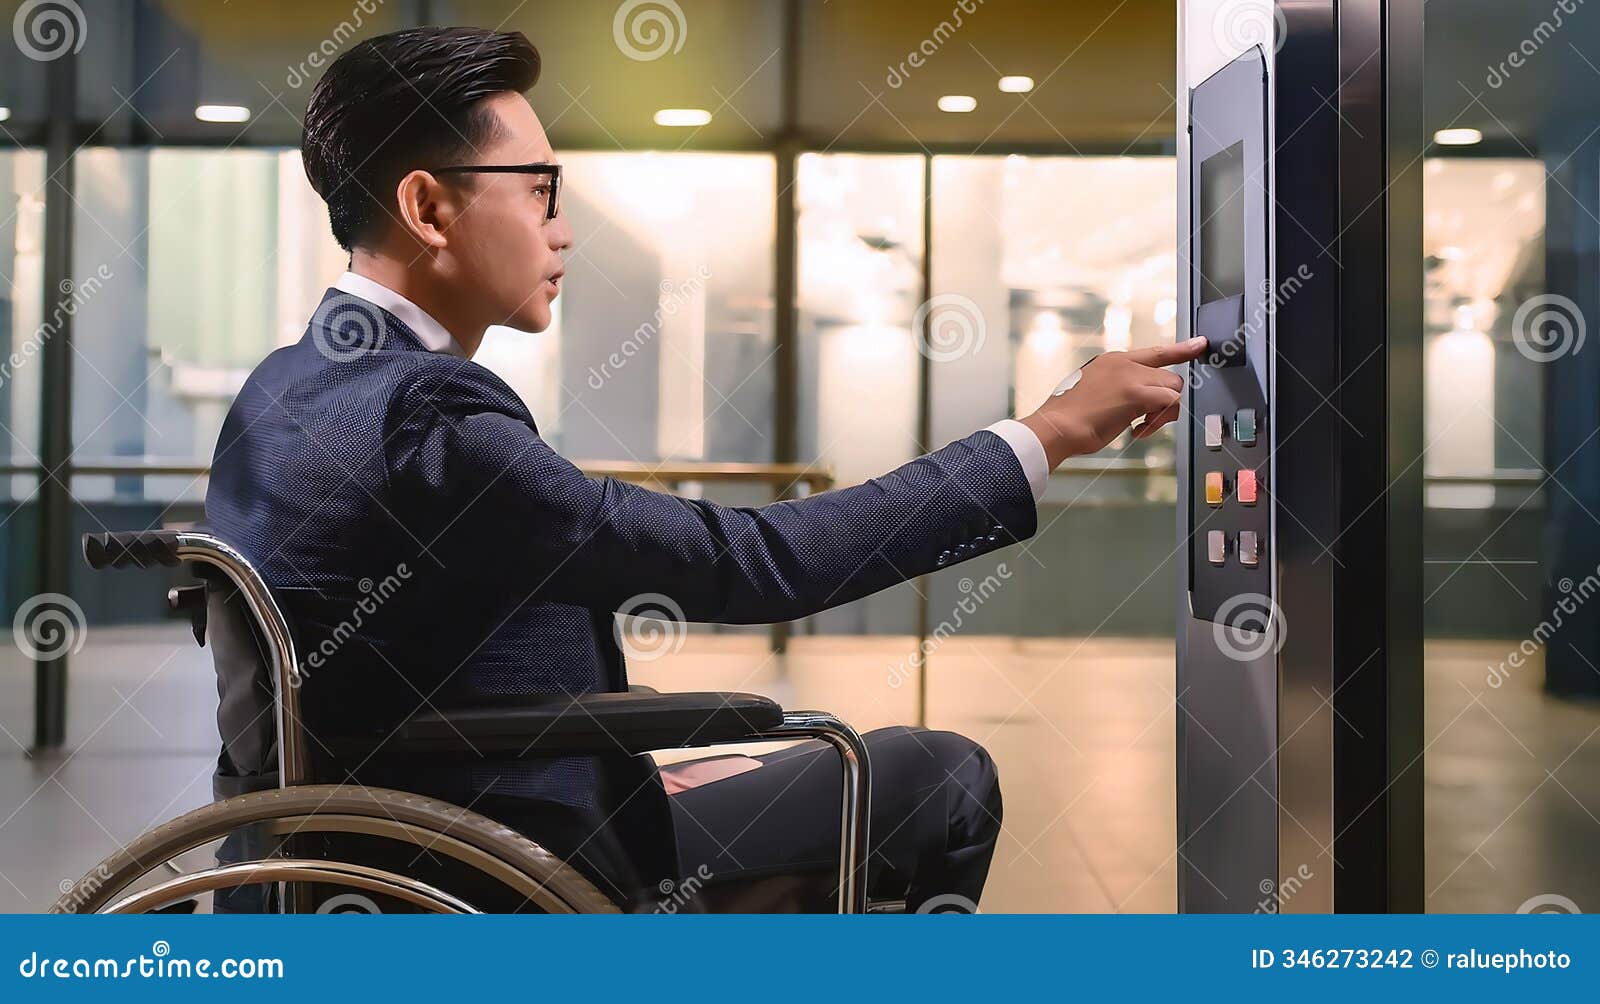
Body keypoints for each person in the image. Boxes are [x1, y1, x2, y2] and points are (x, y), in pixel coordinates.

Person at [204, 25, 1204, 912]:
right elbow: (753, 562)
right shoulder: (426, 413)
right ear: (428, 208)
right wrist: (1049, 430)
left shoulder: (285, 387)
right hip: (492, 866)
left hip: (335, 849)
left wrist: (618, 762)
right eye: (540, 189)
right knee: (935, 772)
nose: (561, 228)